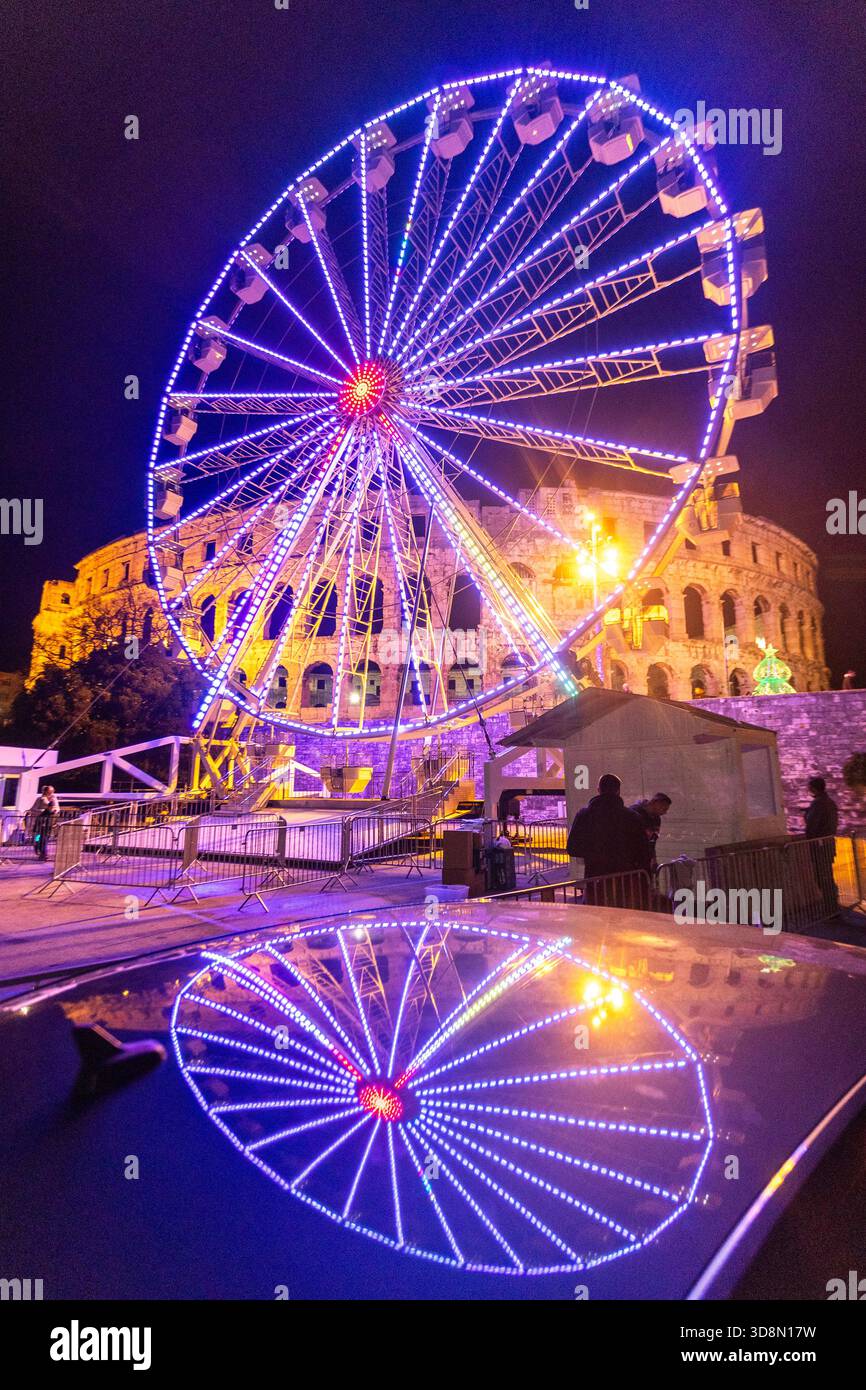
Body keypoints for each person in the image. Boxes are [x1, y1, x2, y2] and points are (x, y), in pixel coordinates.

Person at [566, 773, 650, 904]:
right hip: (624, 877)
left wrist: (594, 852)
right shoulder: (632, 817)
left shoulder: (585, 815)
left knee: (596, 915)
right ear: (618, 791)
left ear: (598, 790)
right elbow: (643, 850)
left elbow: (572, 848)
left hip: (595, 876)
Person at [804, 776, 839, 916]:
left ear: (814, 788)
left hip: (820, 847)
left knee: (822, 878)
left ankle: (830, 909)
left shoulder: (818, 804)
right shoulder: (830, 802)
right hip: (828, 845)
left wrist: (806, 816)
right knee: (827, 876)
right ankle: (833, 906)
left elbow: (812, 825)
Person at [629, 793, 672, 871]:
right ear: (656, 803)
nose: (664, 812)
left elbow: (653, 841)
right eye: (664, 808)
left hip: (646, 859)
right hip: (633, 859)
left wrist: (654, 860)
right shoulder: (635, 812)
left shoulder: (656, 819)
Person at [30, 785, 60, 861]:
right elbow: (33, 809)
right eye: (50, 791)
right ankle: (37, 846)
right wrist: (43, 811)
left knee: (45, 838)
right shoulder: (40, 799)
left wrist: (55, 811)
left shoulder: (54, 799)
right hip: (40, 822)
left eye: (53, 791)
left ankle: (43, 853)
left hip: (49, 822)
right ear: (46, 791)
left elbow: (57, 808)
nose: (52, 792)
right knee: (38, 837)